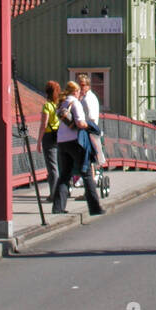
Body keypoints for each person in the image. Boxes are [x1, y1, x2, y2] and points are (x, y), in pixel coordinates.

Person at [54, 82, 105, 215]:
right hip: (75, 141)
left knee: (65, 174)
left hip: (62, 141)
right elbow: (80, 123)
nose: (79, 94)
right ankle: (95, 207)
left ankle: (58, 207)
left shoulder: (62, 103)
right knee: (87, 174)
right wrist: (90, 126)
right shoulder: (75, 103)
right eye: (78, 91)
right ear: (75, 92)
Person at [36, 81, 61, 198]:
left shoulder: (47, 106)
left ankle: (54, 193)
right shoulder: (59, 105)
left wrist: (39, 141)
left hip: (49, 136)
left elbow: (44, 125)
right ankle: (60, 191)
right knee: (58, 164)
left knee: (52, 167)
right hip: (59, 135)